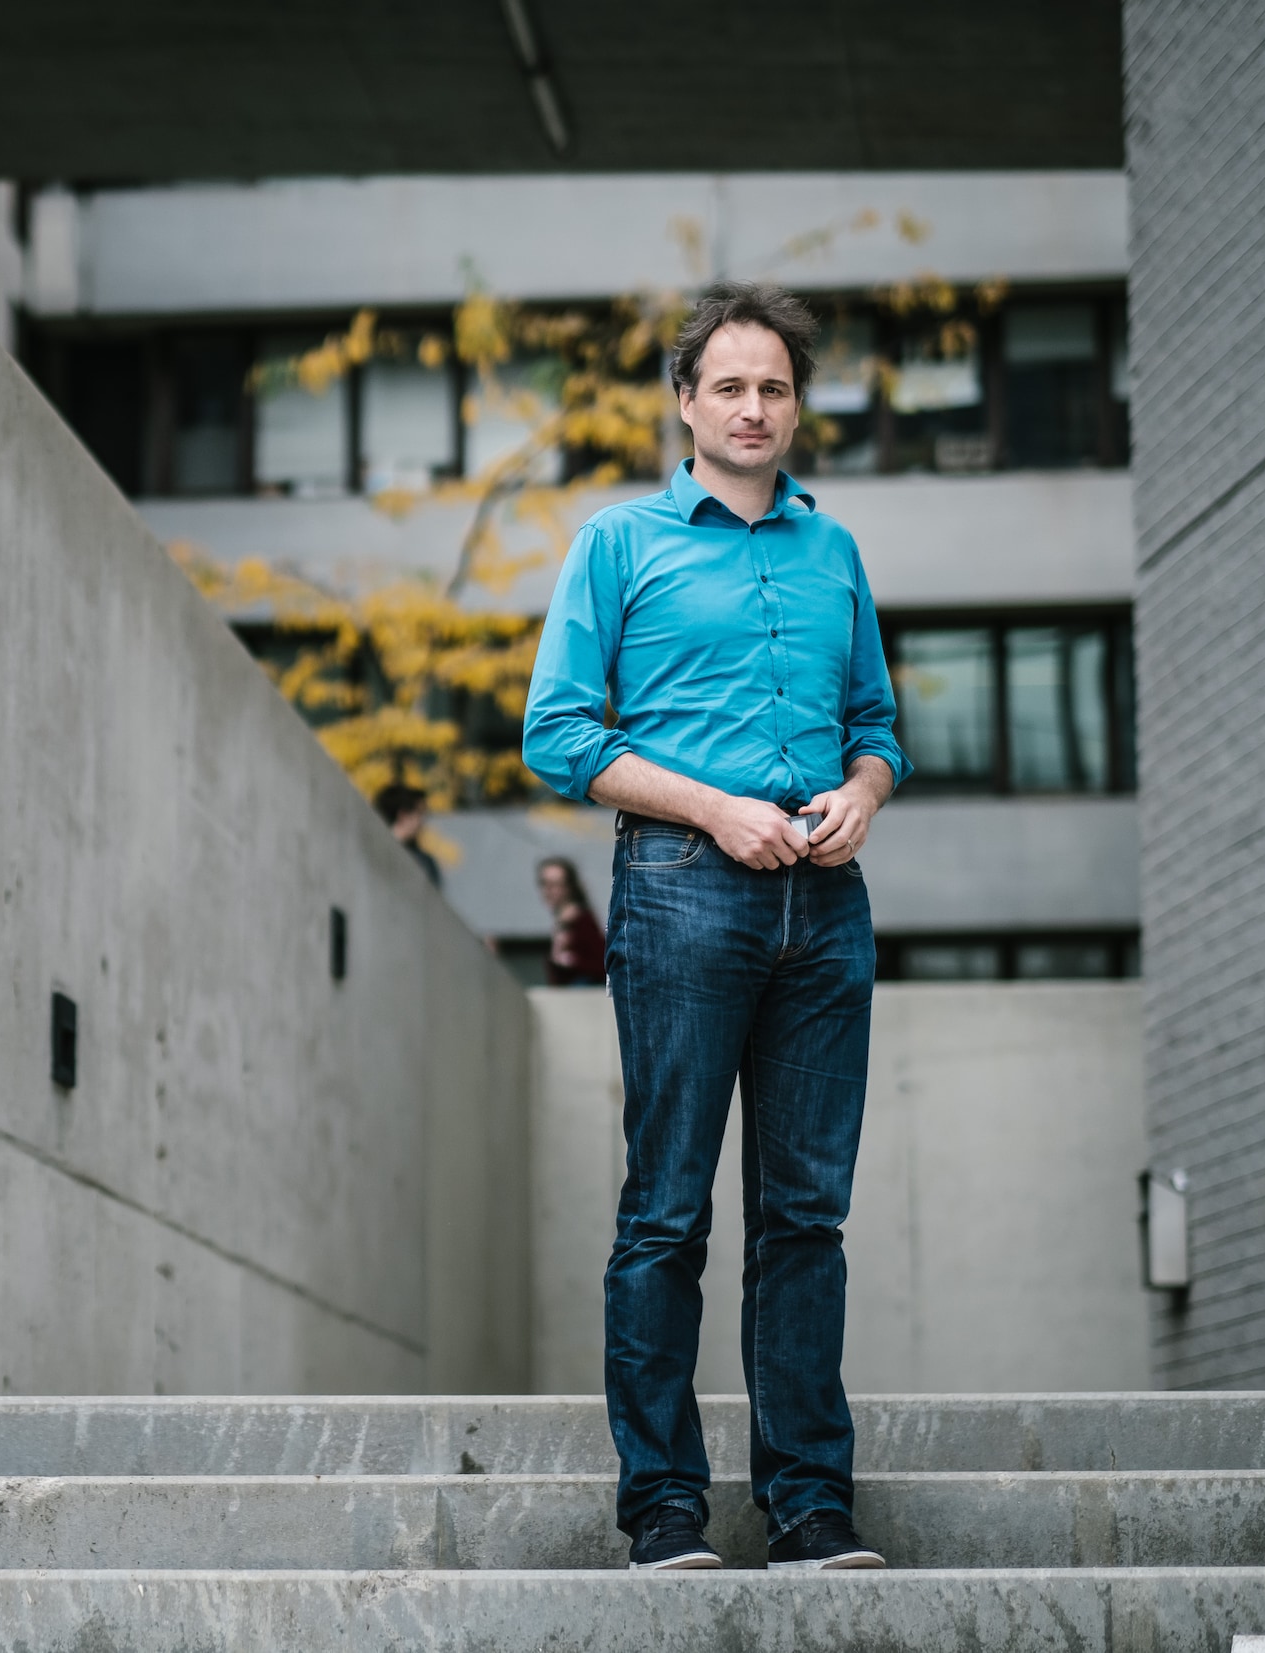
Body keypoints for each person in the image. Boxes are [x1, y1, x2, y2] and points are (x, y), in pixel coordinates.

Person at [521, 282, 909, 1573]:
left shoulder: (833, 551)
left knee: (805, 1218)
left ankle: (809, 1505)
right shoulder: (618, 542)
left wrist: (860, 795)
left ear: (799, 407)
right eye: (730, 385)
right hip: (685, 888)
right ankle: (667, 1509)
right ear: (686, 402)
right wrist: (716, 810)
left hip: (826, 904)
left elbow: (878, 730)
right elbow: (561, 736)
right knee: (668, 1213)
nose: (754, 407)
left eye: (777, 387)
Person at [536, 857, 607, 988]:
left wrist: (571, 962)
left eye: (556, 884)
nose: (549, 891)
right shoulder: (562, 921)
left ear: (569, 887)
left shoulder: (581, 919)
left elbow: (600, 963)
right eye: (545, 884)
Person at [375, 782, 442, 885]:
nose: (422, 822)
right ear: (403, 815)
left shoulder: (425, 861)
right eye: (420, 814)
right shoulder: (422, 863)